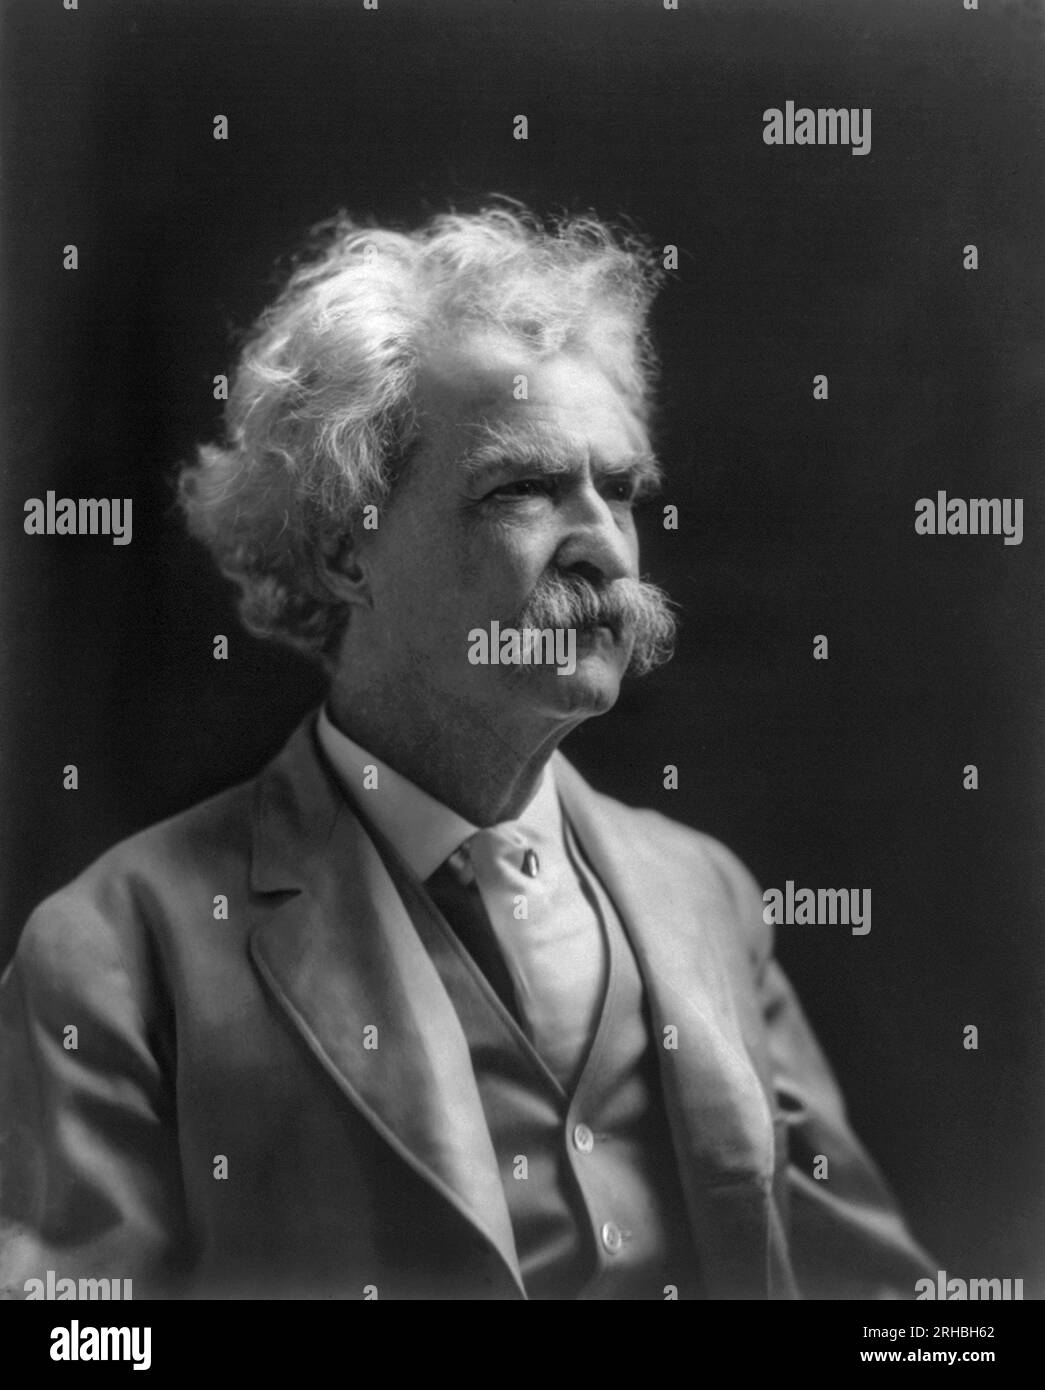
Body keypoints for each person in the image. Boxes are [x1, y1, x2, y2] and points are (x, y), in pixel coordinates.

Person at [0, 203, 932, 1300]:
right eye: (523, 488)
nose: (603, 547)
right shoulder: (115, 948)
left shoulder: (704, 892)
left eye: (619, 490)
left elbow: (880, 1302)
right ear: (350, 547)